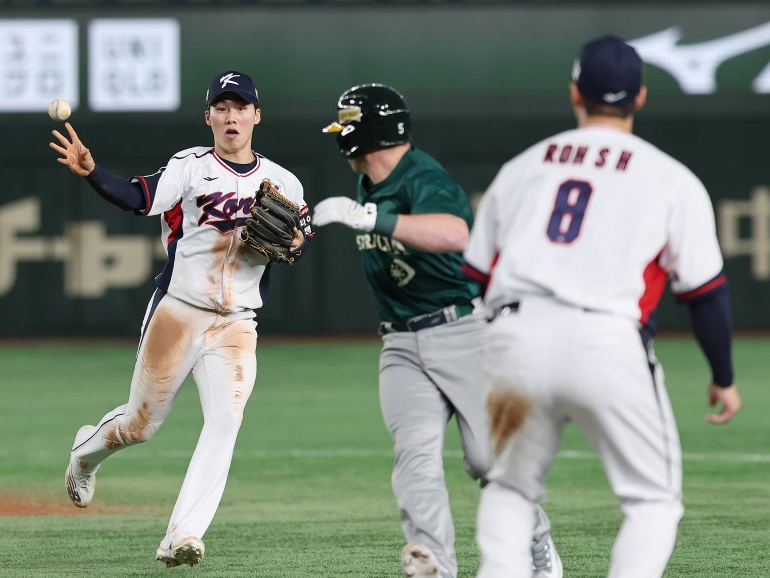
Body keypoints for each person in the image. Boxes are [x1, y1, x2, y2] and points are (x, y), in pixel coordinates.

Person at [463, 36, 742, 578]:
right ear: (640, 97)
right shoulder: (670, 176)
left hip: (514, 335)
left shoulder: (524, 166)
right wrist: (723, 377)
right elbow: (705, 293)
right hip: (606, 341)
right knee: (652, 501)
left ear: (575, 93)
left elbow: (472, 275)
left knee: (512, 486)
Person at [50, 70, 313, 568]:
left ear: (257, 115)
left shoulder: (284, 181)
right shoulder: (191, 166)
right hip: (179, 311)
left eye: (241, 107)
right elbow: (139, 198)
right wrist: (92, 172)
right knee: (140, 425)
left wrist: (297, 240)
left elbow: (301, 236)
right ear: (208, 116)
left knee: (226, 420)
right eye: (222, 107)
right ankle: (84, 455)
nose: (231, 116)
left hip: (237, 322)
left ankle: (183, 535)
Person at [313, 83, 561, 578]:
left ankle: (537, 545)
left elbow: (456, 233)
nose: (341, 136)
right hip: (401, 344)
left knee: (488, 462)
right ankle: (434, 564)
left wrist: (367, 217)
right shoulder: (369, 180)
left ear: (370, 131)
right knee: (415, 459)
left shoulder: (420, 174)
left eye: (347, 124)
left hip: (461, 332)